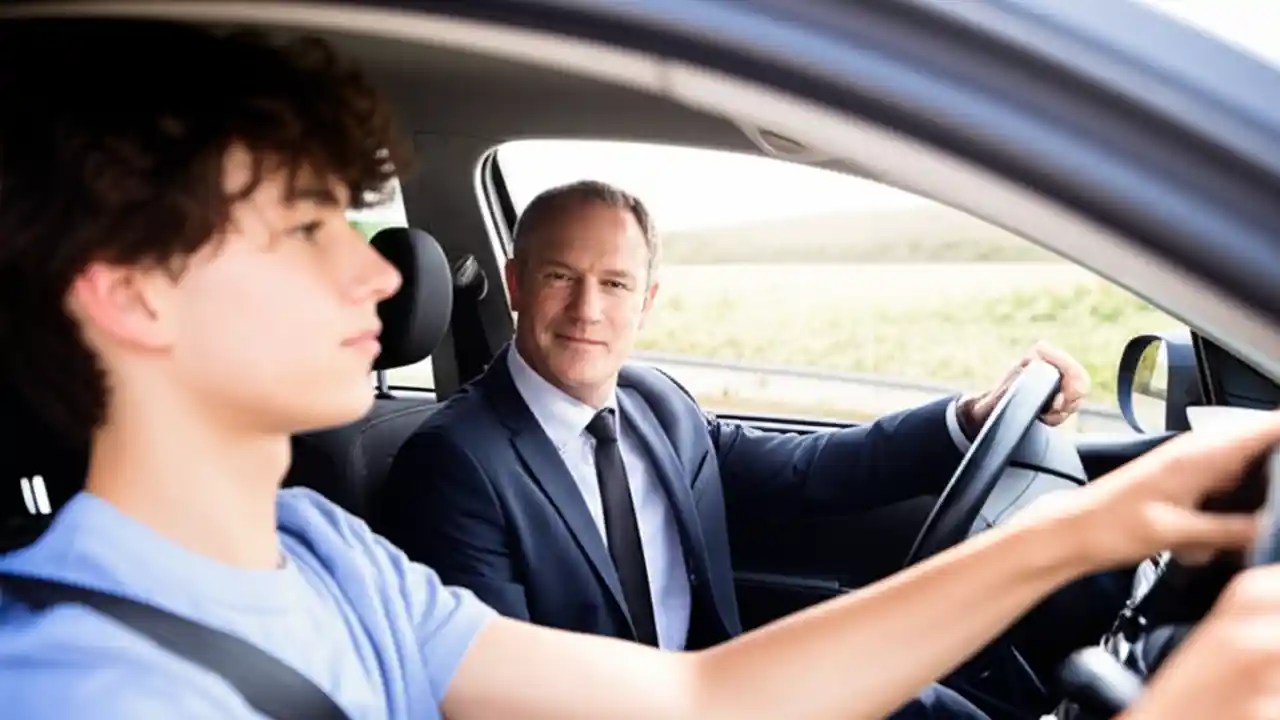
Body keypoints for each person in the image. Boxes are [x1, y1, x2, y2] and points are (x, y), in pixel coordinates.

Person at [1, 17, 1279, 720]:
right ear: (128, 293)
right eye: (302, 230)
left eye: (359, 222)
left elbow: (695, 696)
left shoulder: (329, 560)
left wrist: (1078, 534)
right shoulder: (85, 686)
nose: (387, 278)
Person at [379, 179, 1089, 713]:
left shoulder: (656, 403)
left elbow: (811, 471)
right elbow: (508, 700)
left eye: (615, 283)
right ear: (516, 285)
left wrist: (970, 417)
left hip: (726, 692)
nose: (588, 310)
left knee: (926, 703)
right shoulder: (455, 463)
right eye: (560, 276)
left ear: (647, 301)